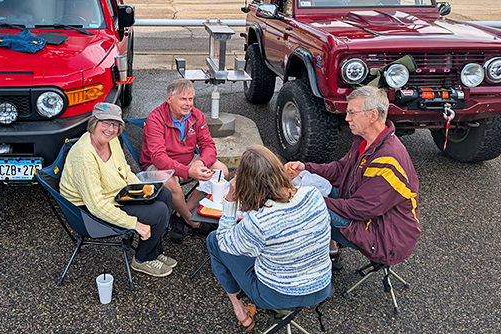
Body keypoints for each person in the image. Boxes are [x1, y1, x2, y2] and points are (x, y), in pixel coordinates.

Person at [286, 85, 421, 269]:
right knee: (305, 185)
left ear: (373, 115)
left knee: (305, 208)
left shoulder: (388, 160)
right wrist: (306, 168)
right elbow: (341, 169)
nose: (347, 118)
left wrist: (304, 196)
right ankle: (331, 252)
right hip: (365, 214)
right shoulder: (365, 140)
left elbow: (358, 209)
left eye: (352, 113)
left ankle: (313, 273)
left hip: (385, 238)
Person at [207, 146, 332, 331]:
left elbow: (225, 241)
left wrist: (231, 199)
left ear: (246, 183)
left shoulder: (259, 221)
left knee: (214, 240)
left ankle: (237, 305)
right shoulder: (313, 195)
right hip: (322, 287)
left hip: (276, 295)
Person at [60, 102, 176, 278]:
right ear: (94, 123)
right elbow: (96, 205)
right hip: (87, 213)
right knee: (158, 211)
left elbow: (125, 170)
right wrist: (135, 224)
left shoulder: (112, 141)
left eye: (115, 124)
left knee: (164, 194)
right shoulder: (84, 155)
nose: (110, 129)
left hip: (114, 195)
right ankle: (142, 259)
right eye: (105, 123)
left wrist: (143, 191)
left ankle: (154, 250)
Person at [140, 78, 229, 241]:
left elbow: (209, 145)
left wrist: (200, 163)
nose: (188, 104)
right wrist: (188, 171)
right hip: (158, 165)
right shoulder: (155, 119)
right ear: (169, 99)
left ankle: (183, 212)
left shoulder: (196, 116)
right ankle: (190, 219)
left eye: (190, 99)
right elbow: (158, 158)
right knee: (169, 181)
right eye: (183, 99)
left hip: (188, 160)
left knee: (221, 170)